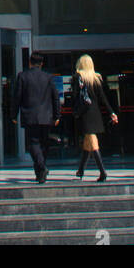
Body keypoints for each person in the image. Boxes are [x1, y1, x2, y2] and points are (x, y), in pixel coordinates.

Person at [12, 52, 60, 183]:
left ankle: (41, 168)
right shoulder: (48, 77)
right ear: (42, 64)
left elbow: (17, 97)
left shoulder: (22, 76)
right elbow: (55, 97)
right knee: (43, 145)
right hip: (46, 116)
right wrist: (57, 115)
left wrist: (13, 114)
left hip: (30, 116)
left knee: (33, 143)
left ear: (30, 62)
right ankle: (40, 173)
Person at [71, 54, 117, 182]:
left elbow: (75, 96)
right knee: (88, 142)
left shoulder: (77, 78)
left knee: (92, 141)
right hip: (95, 113)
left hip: (85, 114)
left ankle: (102, 171)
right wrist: (111, 112)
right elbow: (103, 98)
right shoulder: (96, 78)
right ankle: (80, 170)